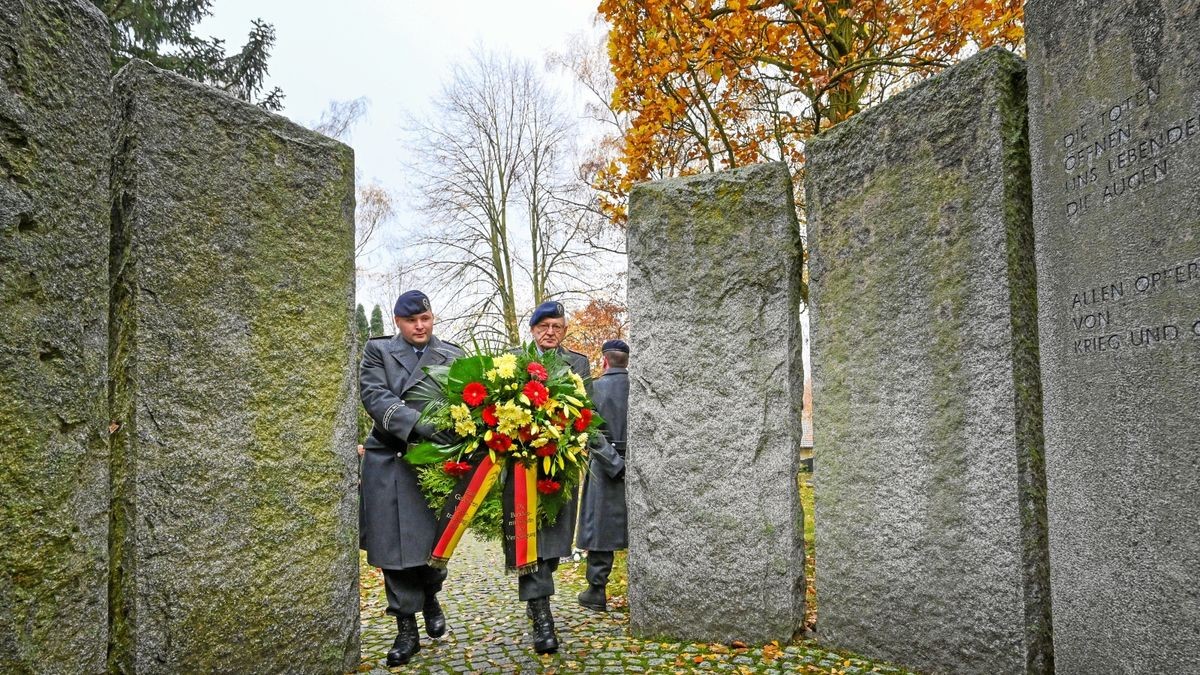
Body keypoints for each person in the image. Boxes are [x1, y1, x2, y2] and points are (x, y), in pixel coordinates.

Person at [359, 290, 464, 667]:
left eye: (425, 318)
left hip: (435, 463)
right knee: (394, 549)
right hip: (390, 457)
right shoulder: (379, 351)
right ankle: (406, 628)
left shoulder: (454, 355)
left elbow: (469, 400)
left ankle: (431, 595)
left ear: (432, 316)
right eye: (410, 321)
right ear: (397, 322)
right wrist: (417, 424)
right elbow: (374, 396)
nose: (420, 326)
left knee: (433, 548)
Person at [518, 300, 592, 654]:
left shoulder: (578, 363)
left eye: (557, 327)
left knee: (554, 540)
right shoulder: (513, 361)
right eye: (544, 325)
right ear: (532, 329)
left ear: (564, 331)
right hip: (520, 466)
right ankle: (542, 613)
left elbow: (587, 412)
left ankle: (538, 595)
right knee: (528, 538)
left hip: (561, 464)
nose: (550, 332)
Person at [574, 339, 630, 612]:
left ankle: (597, 591)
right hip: (641, 466)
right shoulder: (641, 388)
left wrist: (613, 463)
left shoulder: (592, 388)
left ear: (605, 360)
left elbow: (591, 431)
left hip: (605, 465)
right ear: (626, 361)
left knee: (601, 529)